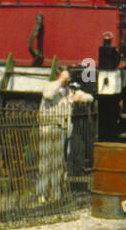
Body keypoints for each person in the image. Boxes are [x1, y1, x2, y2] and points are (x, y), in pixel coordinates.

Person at [37, 69, 93, 204]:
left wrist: (80, 98)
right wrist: (60, 81)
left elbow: (90, 97)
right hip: (47, 128)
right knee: (45, 163)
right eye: (64, 76)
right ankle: (42, 194)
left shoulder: (70, 91)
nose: (66, 80)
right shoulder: (49, 86)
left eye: (67, 78)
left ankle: (56, 195)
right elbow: (49, 95)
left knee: (58, 163)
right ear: (58, 76)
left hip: (61, 129)